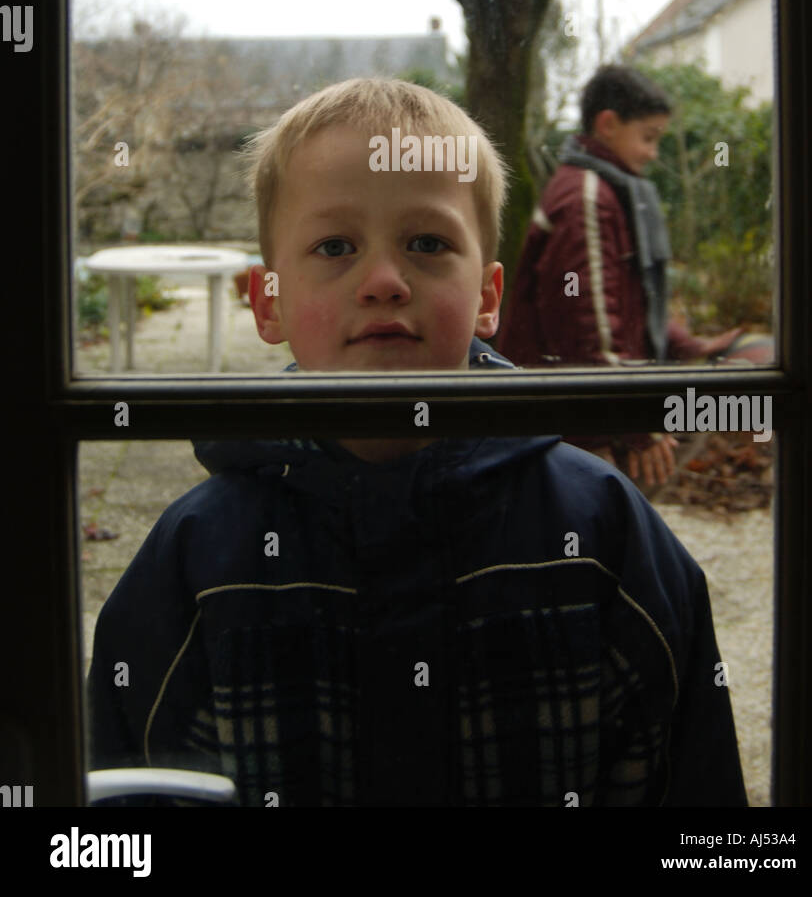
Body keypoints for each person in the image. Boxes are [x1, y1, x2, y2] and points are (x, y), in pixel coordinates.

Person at [86, 76, 747, 807]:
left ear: (489, 297)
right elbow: (126, 805)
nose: (382, 280)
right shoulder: (193, 556)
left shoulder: (604, 529)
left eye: (427, 243)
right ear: (266, 302)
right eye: (335, 245)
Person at [497, 64, 741, 486]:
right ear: (607, 124)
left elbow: (632, 304)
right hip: (573, 423)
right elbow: (584, 324)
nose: (653, 153)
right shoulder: (586, 199)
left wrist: (689, 348)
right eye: (648, 137)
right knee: (597, 527)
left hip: (588, 413)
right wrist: (636, 425)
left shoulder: (604, 189)